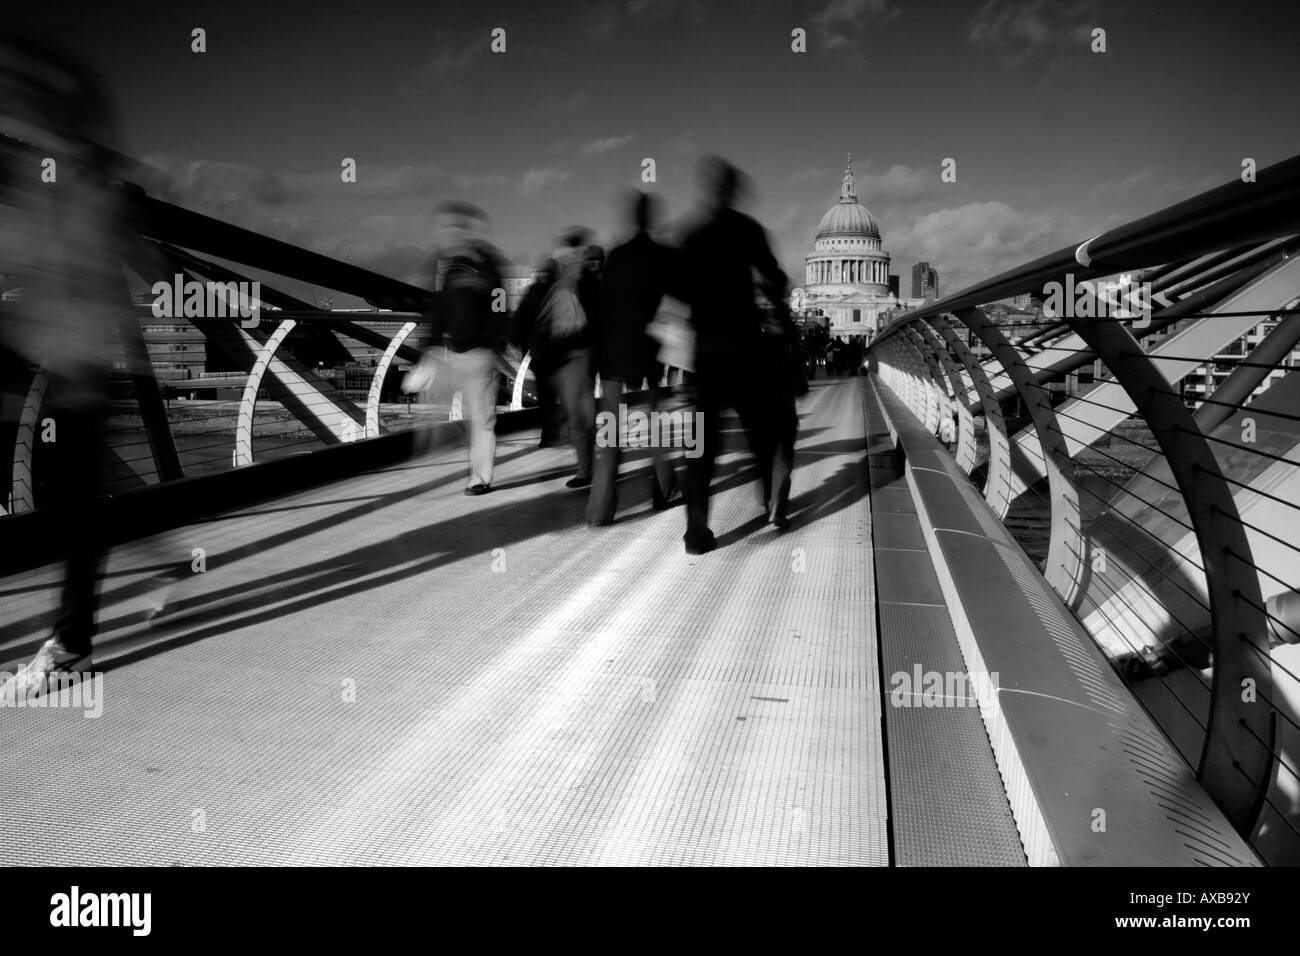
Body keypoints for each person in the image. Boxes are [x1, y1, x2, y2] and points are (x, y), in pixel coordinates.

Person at [2, 35, 126, 695]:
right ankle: (71, 634)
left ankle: (70, 642)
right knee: (70, 506)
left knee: (72, 510)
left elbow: (75, 269)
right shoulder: (70, 174)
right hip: (58, 359)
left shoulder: (77, 181)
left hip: (70, 365)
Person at [678, 156, 791, 554]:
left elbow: (677, 293)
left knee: (700, 449)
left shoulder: (692, 235)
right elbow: (775, 277)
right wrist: (773, 305)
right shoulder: (747, 229)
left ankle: (696, 529)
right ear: (733, 191)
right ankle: (771, 502)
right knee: (761, 435)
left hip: (704, 353)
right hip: (744, 349)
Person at [586, 191, 682, 525]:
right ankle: (664, 487)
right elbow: (675, 308)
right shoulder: (663, 256)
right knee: (656, 425)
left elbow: (603, 308)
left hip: (613, 354)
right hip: (649, 352)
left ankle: (600, 508)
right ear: (651, 219)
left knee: (609, 433)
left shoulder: (616, 256)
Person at [410, 201, 507, 495]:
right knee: (433, 395)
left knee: (482, 419)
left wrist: (494, 344)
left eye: (449, 228)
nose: (444, 235)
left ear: (462, 231)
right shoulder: (447, 267)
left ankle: (480, 478)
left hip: (480, 355)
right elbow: (439, 310)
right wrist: (429, 347)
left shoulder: (487, 264)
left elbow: (500, 306)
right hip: (451, 352)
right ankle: (440, 438)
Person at [512, 229, 600, 488]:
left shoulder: (551, 288)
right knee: (581, 414)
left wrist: (523, 346)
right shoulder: (587, 283)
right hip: (577, 355)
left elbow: (525, 321)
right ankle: (592, 464)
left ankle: (587, 468)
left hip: (565, 358)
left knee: (577, 414)